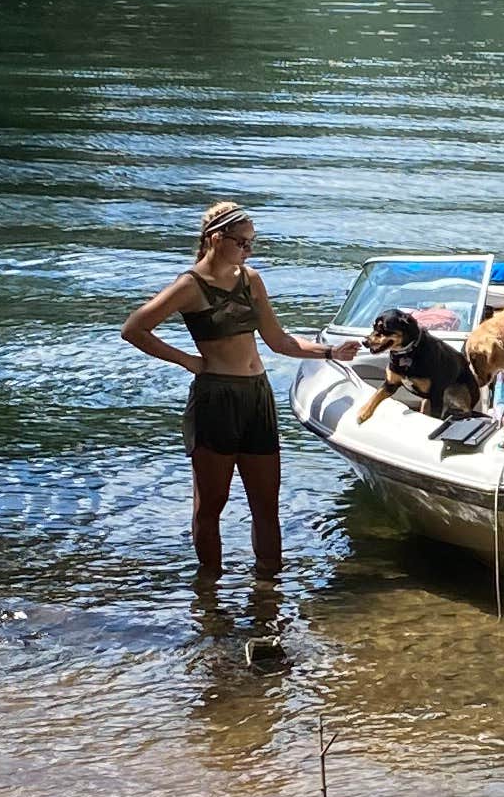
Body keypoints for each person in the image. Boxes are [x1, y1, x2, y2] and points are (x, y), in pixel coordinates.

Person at [122, 203, 357, 575]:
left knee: (266, 503)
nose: (249, 250)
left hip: (257, 397)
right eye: (242, 243)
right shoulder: (190, 286)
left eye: (252, 243)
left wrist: (330, 351)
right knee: (211, 503)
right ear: (216, 239)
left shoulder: (251, 280)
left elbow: (279, 341)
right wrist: (189, 361)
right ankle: (210, 592)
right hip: (216, 399)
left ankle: (269, 589)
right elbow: (134, 329)